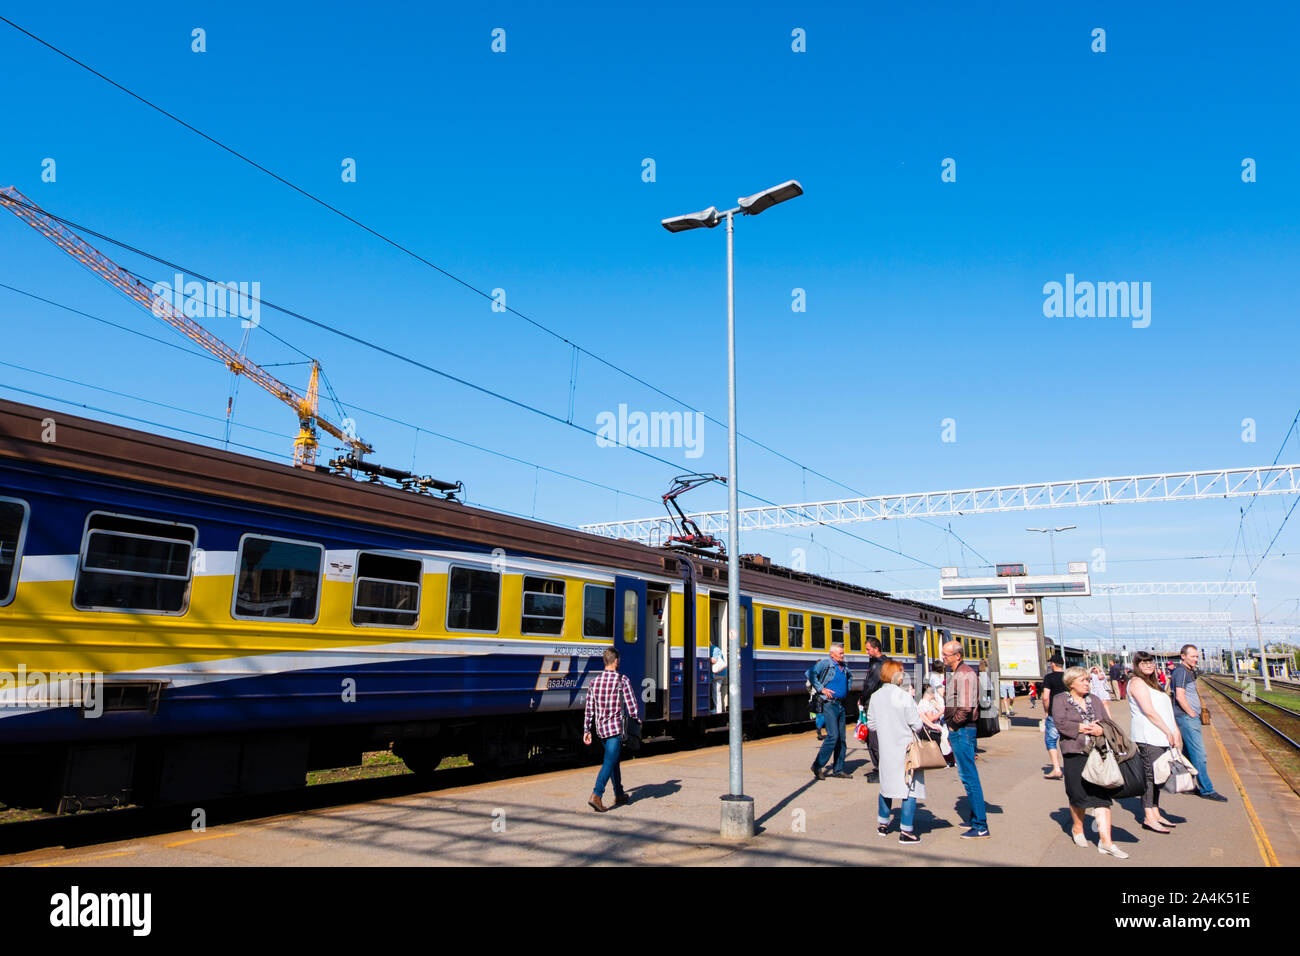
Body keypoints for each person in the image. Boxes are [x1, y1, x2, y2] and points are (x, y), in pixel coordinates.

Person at [1052, 665, 1128, 858]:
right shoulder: (1060, 700)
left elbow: (1107, 722)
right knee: (1077, 795)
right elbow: (1060, 723)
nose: (1088, 683)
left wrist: (1101, 730)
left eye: (1088, 680)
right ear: (1071, 683)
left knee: (1101, 796)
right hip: (1074, 752)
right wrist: (1083, 727)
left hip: (1098, 751)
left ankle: (1106, 842)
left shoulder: (1094, 700)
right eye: (1083, 680)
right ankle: (1078, 828)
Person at [869, 660, 927, 844]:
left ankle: (883, 824)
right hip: (906, 750)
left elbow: (871, 725)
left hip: (886, 750)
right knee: (909, 789)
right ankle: (906, 831)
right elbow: (917, 725)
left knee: (886, 787)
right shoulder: (903, 697)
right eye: (901, 673)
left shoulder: (875, 697)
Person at [582, 647, 641, 812]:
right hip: (615, 730)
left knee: (613, 760)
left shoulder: (594, 682)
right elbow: (632, 706)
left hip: (601, 731)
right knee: (609, 762)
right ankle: (596, 795)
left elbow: (589, 709)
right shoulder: (622, 680)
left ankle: (619, 793)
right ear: (616, 661)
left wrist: (587, 729)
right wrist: (637, 720)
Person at [1128, 651, 1181, 833]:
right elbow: (1149, 711)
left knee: (1158, 776)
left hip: (1161, 736)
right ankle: (1148, 817)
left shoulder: (1153, 684)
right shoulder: (1136, 682)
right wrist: (1168, 731)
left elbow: (1165, 710)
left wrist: (1175, 730)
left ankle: (1156, 812)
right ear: (1137, 666)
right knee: (1150, 777)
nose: (1148, 666)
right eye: (1143, 663)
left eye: (1150, 662)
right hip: (1148, 736)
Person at [941, 640, 988, 838]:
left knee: (969, 778)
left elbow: (966, 707)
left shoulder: (965, 674)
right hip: (961, 730)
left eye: (946, 655)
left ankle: (980, 825)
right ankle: (975, 818)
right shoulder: (960, 673)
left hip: (962, 730)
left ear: (957, 656)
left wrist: (952, 725)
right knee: (967, 776)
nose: (943, 658)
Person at [1170, 645, 1228, 802]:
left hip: (1188, 718)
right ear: (1183, 656)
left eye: (1196, 656)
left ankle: (1186, 785)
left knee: (1188, 753)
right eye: (1193, 656)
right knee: (1199, 754)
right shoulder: (1181, 671)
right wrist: (1191, 712)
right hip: (1187, 718)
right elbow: (1180, 696)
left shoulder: (1188, 671)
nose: (1196, 659)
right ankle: (1207, 789)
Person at [809, 642, 854, 779]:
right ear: (832, 654)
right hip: (829, 704)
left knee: (841, 739)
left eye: (843, 653)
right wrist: (821, 689)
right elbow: (810, 673)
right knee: (833, 736)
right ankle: (817, 765)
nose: (843, 655)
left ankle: (838, 769)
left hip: (840, 704)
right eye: (840, 653)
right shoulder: (826, 664)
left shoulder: (844, 667)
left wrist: (846, 690)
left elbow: (850, 677)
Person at [859, 636, 887, 781]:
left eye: (868, 649)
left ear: (876, 649)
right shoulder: (887, 662)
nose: (866, 652)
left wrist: (862, 700)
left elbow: (870, 686)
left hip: (874, 705)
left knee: (873, 738)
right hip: (883, 705)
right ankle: (880, 769)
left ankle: (880, 770)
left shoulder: (877, 665)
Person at [1040, 655, 1067, 780]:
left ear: (1053, 664)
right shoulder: (1068, 677)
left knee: (1051, 740)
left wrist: (1047, 711)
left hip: (1054, 713)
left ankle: (1056, 768)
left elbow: (1046, 697)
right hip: (1069, 713)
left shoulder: (1049, 678)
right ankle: (1070, 767)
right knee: (1067, 739)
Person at [710, 643, 727, 714]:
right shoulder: (716, 648)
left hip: (717, 673)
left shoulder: (714, 649)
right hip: (720, 673)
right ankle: (717, 709)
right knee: (716, 691)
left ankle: (717, 709)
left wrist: (706, 658)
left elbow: (714, 660)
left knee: (716, 691)